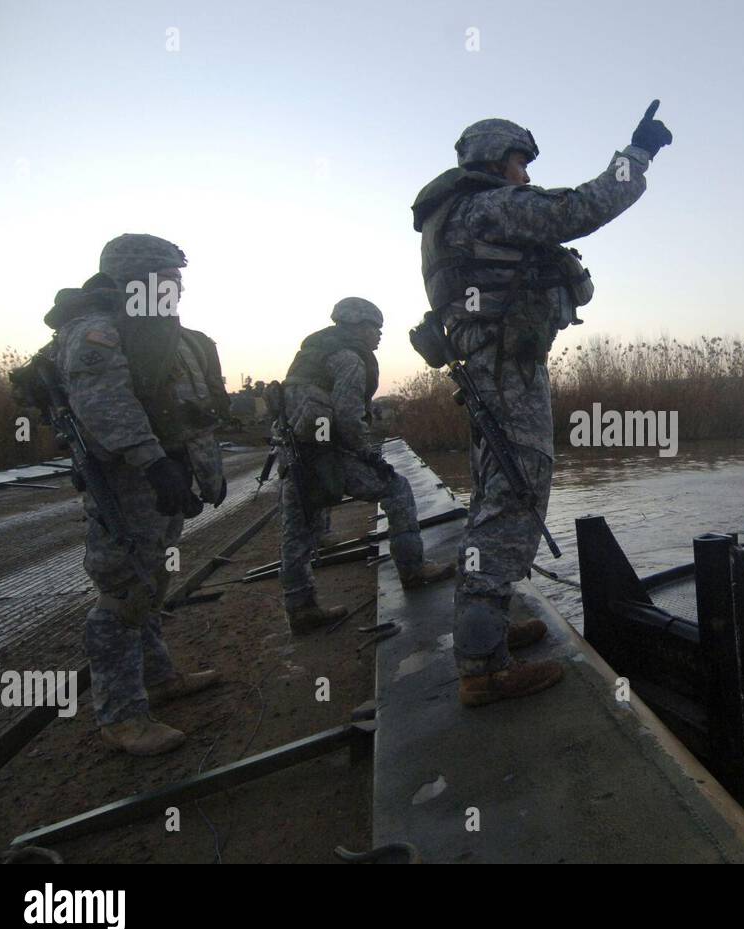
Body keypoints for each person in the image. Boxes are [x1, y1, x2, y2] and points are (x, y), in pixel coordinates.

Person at [411, 102, 672, 706]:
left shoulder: (448, 218)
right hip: (506, 364)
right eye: (520, 162)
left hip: (489, 361)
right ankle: (482, 665)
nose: (525, 174)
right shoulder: (489, 205)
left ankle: (488, 628)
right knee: (516, 493)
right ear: (498, 160)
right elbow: (583, 207)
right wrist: (638, 154)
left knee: (495, 489)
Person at [47, 234, 227, 755]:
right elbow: (107, 408)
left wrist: (199, 471)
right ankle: (121, 716)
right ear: (137, 281)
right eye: (166, 278)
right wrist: (153, 463)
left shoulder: (158, 332)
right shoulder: (97, 332)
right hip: (129, 482)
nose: (176, 288)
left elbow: (188, 408)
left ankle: (159, 676)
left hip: (163, 476)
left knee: (152, 580)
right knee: (123, 593)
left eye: (178, 279)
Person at [278, 298, 453, 631]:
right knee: (398, 489)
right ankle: (414, 570)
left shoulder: (310, 355)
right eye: (375, 328)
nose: (379, 336)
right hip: (326, 455)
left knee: (299, 531)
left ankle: (300, 608)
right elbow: (348, 417)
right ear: (356, 326)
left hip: (296, 454)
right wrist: (369, 456)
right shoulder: (349, 359)